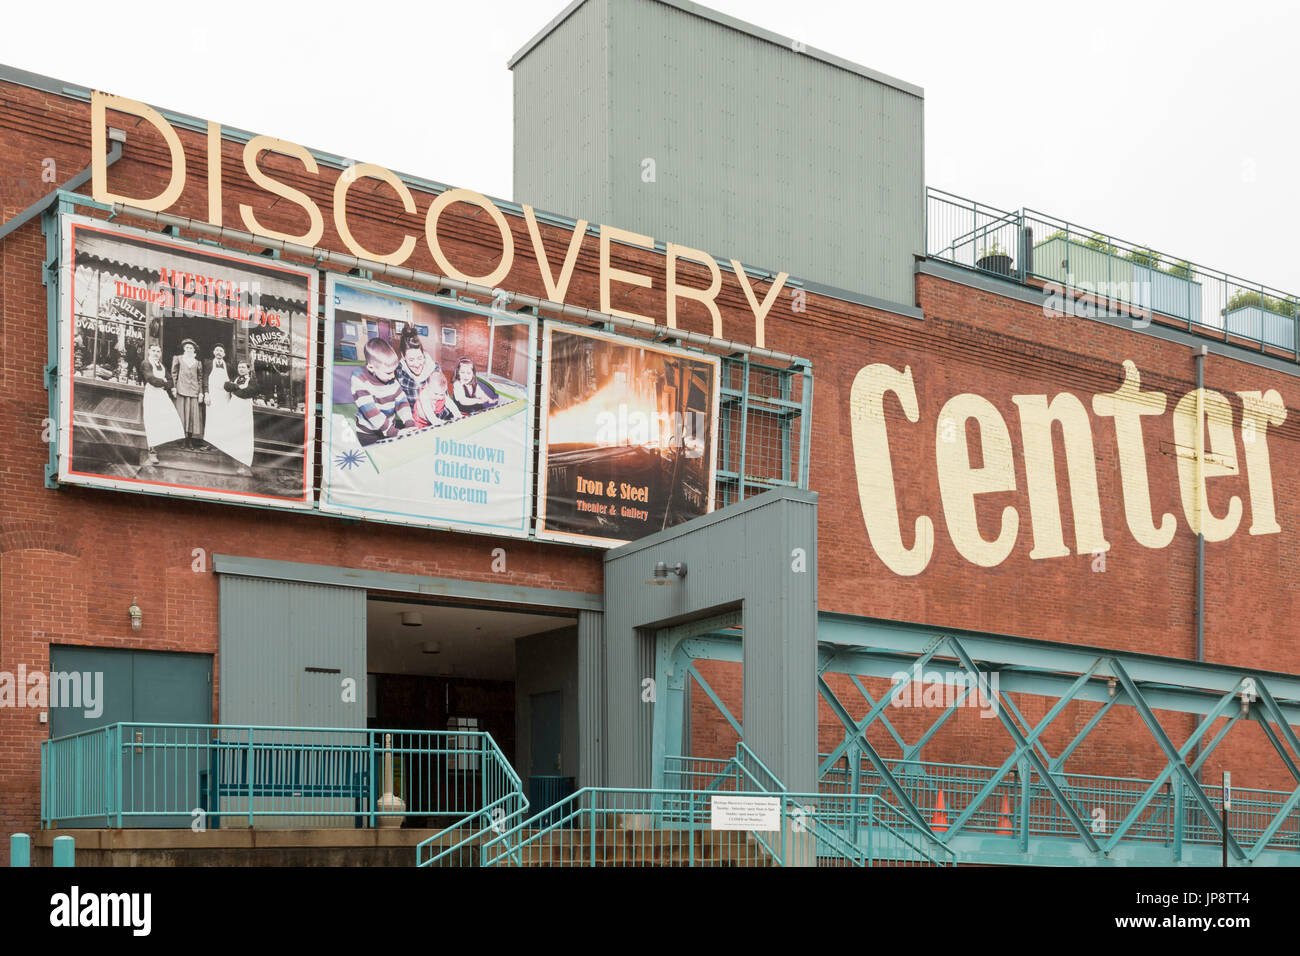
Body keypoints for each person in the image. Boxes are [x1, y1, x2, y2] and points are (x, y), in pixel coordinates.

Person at [351, 338, 416, 446]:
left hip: (390, 427)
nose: (393, 376)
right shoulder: (359, 378)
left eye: (394, 371)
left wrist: (409, 422)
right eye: (388, 372)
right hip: (368, 433)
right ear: (371, 367)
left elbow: (401, 402)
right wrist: (392, 431)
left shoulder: (390, 378)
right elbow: (371, 412)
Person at [139, 343, 185, 465]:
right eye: (153, 350)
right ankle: (152, 451)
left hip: (162, 395)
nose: (156, 353)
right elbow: (151, 379)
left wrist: (165, 383)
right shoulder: (146, 363)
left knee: (169, 417)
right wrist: (164, 382)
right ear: (149, 351)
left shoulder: (161, 365)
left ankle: (163, 442)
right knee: (152, 421)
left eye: (158, 351)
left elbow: (170, 381)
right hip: (151, 395)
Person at [211, 360, 258, 469]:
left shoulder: (252, 380)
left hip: (244, 408)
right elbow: (226, 386)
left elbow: (249, 392)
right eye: (239, 367)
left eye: (243, 367)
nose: (241, 369)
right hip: (233, 406)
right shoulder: (235, 379)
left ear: (248, 369)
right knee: (231, 428)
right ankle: (229, 455)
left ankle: (241, 460)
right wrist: (237, 387)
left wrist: (235, 389)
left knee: (243, 431)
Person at [394, 328, 438, 424]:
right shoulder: (398, 372)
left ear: (423, 353)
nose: (417, 364)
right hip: (414, 422)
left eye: (419, 358)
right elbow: (397, 403)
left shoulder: (435, 369)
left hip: (438, 418)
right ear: (403, 356)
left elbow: (444, 397)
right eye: (411, 360)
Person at [171, 339, 206, 450]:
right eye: (187, 348)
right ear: (184, 349)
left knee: (191, 417)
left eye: (191, 348)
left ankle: (189, 441)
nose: (189, 349)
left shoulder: (197, 363)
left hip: (194, 392)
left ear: (194, 350)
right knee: (182, 416)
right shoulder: (178, 359)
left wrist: (201, 392)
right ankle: (182, 440)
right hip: (181, 390)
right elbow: (174, 374)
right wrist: (174, 388)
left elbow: (200, 378)